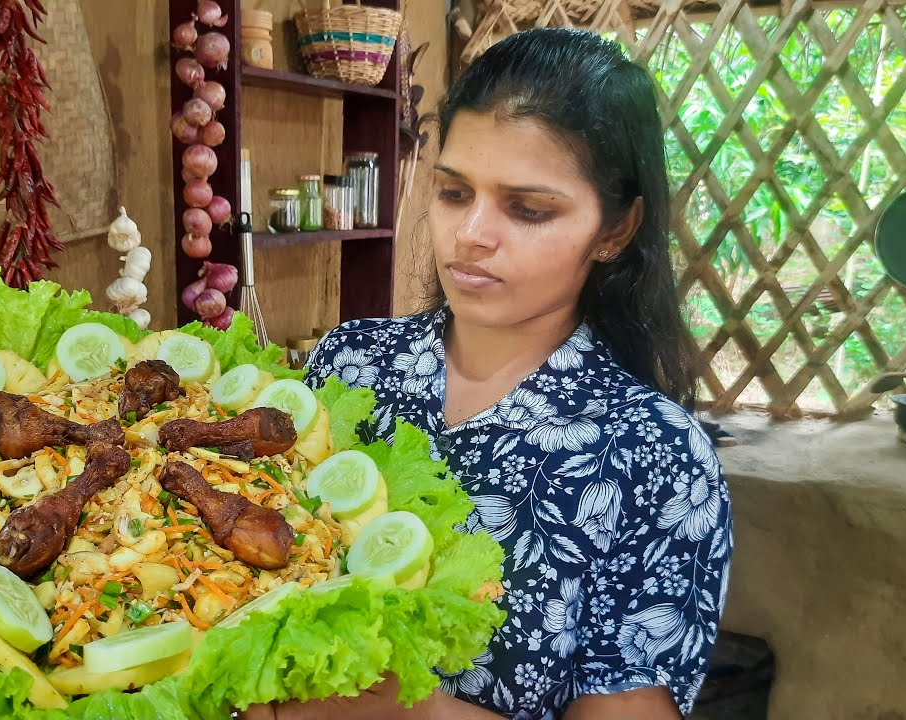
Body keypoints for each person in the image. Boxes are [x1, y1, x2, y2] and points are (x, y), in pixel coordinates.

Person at [242, 27, 731, 720]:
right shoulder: (353, 363)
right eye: (452, 193)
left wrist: (416, 714)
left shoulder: (654, 454)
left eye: (528, 209)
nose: (471, 234)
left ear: (615, 231)